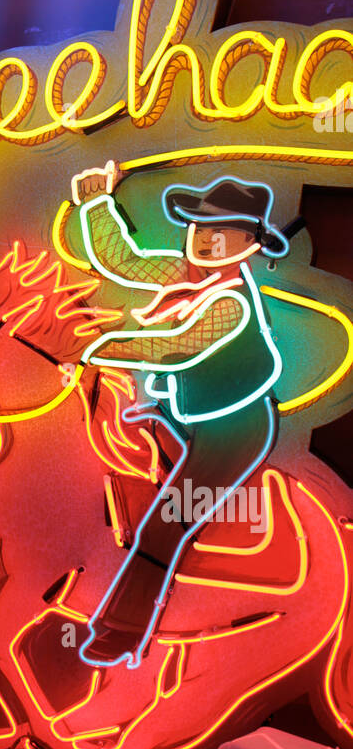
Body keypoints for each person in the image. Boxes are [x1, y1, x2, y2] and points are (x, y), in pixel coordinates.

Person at [71, 165, 289, 668]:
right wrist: (97, 203)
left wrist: (99, 347)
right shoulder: (185, 274)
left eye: (220, 232)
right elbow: (123, 261)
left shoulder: (231, 301)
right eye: (199, 227)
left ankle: (124, 631)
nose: (205, 240)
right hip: (183, 413)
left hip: (234, 430)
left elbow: (176, 347)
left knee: (167, 522)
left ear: (250, 245)